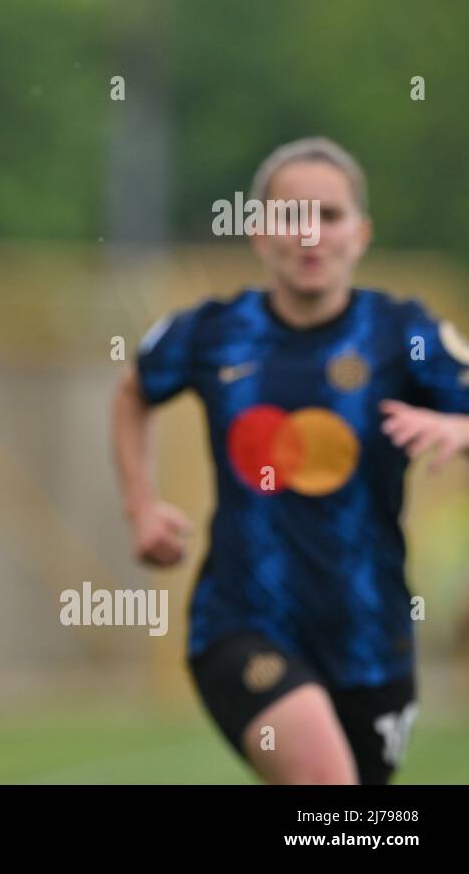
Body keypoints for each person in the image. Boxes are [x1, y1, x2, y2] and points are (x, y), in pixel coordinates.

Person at [112, 137, 469, 784]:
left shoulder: (404, 335)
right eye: (289, 215)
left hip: (371, 637)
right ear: (258, 233)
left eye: (329, 216)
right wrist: (141, 505)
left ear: (360, 233)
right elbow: (133, 390)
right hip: (242, 623)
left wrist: (456, 426)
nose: (310, 235)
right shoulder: (211, 333)